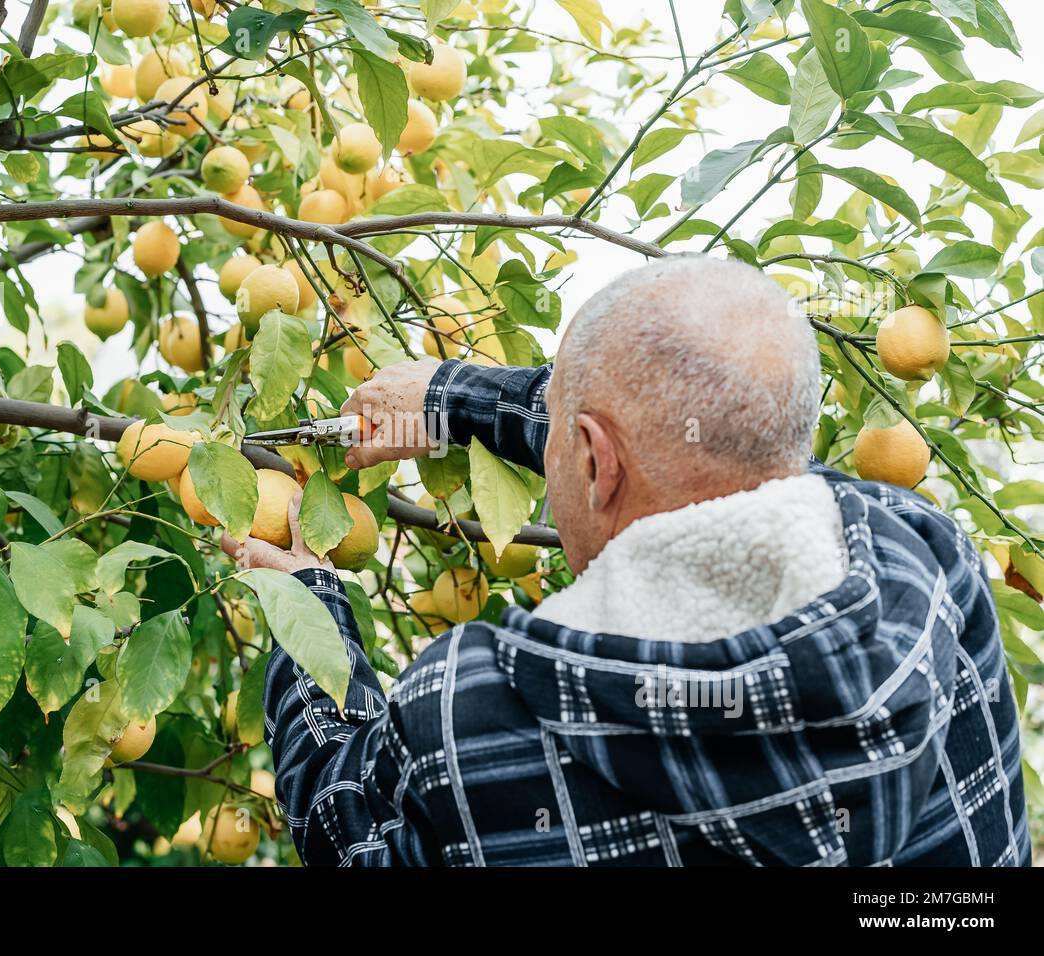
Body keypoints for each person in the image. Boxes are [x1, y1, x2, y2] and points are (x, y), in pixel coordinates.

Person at [222, 256, 1028, 866]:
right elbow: (702, 436)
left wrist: (306, 606)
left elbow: (346, 828)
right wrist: (451, 399)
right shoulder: (926, 557)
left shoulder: (477, 718)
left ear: (595, 460)